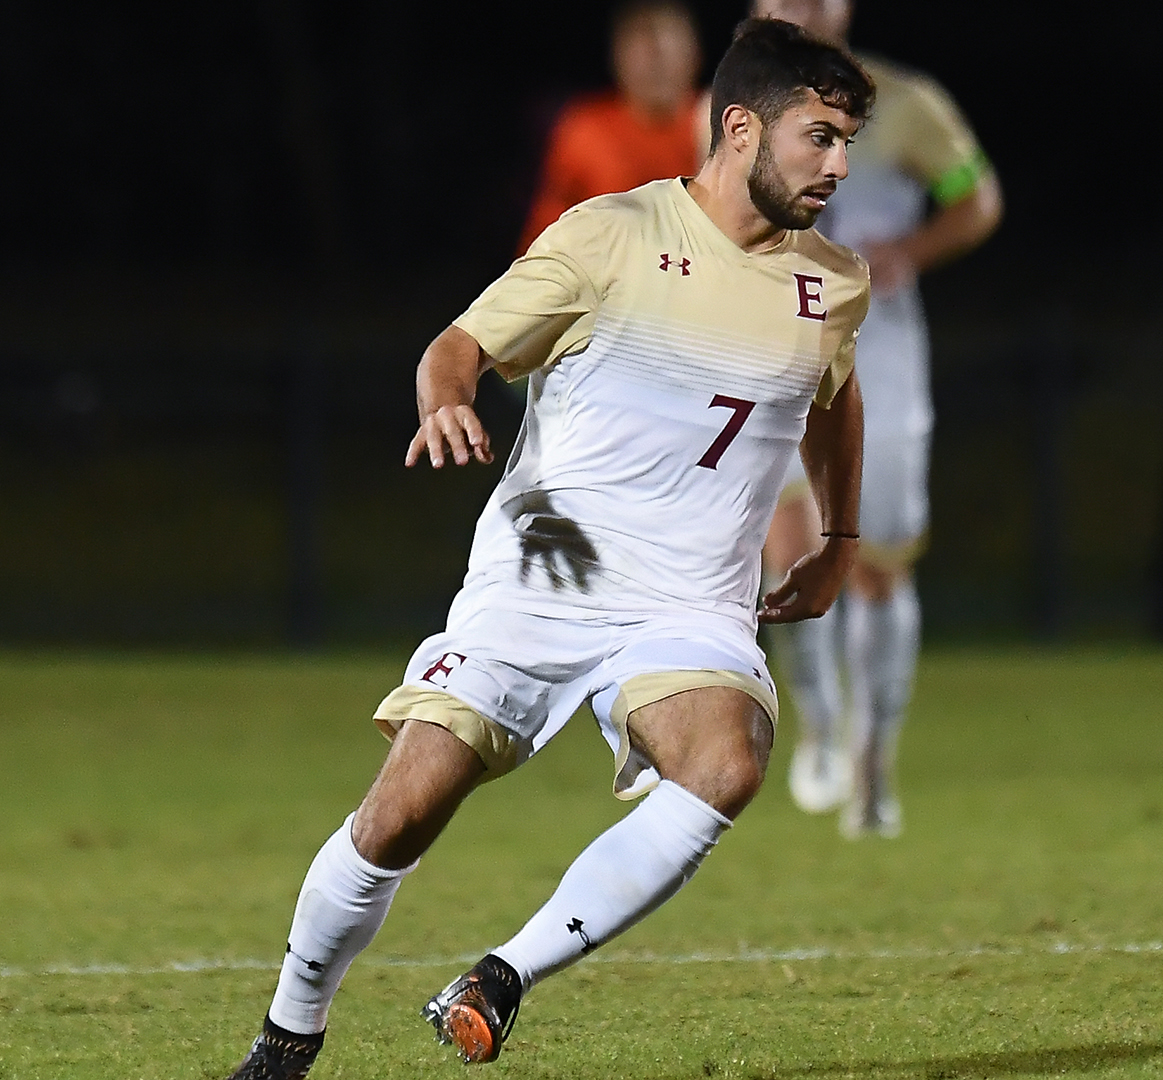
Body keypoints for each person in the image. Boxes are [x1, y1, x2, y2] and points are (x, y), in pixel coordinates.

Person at [222, 20, 875, 1078]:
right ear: (742, 128)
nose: (839, 167)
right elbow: (460, 346)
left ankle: (501, 976)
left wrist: (839, 537)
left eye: (846, 143)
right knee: (399, 815)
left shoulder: (832, 282)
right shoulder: (611, 234)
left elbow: (834, 398)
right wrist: (444, 400)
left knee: (726, 762)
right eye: (820, 138)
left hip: (688, 602)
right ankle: (289, 1035)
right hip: (543, 578)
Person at [752, 0, 1002, 838]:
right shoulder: (735, 105)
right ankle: (819, 723)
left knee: (875, 565)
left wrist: (911, 251)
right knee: (787, 550)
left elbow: (973, 196)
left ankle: (872, 762)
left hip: (878, 360)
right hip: (771, 348)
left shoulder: (903, 104)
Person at [518, 0, 709, 254]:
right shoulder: (584, 130)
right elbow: (544, 242)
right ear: (617, 56)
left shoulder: (721, 125)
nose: (656, 63)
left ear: (695, 52)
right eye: (643, 49)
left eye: (667, 46)